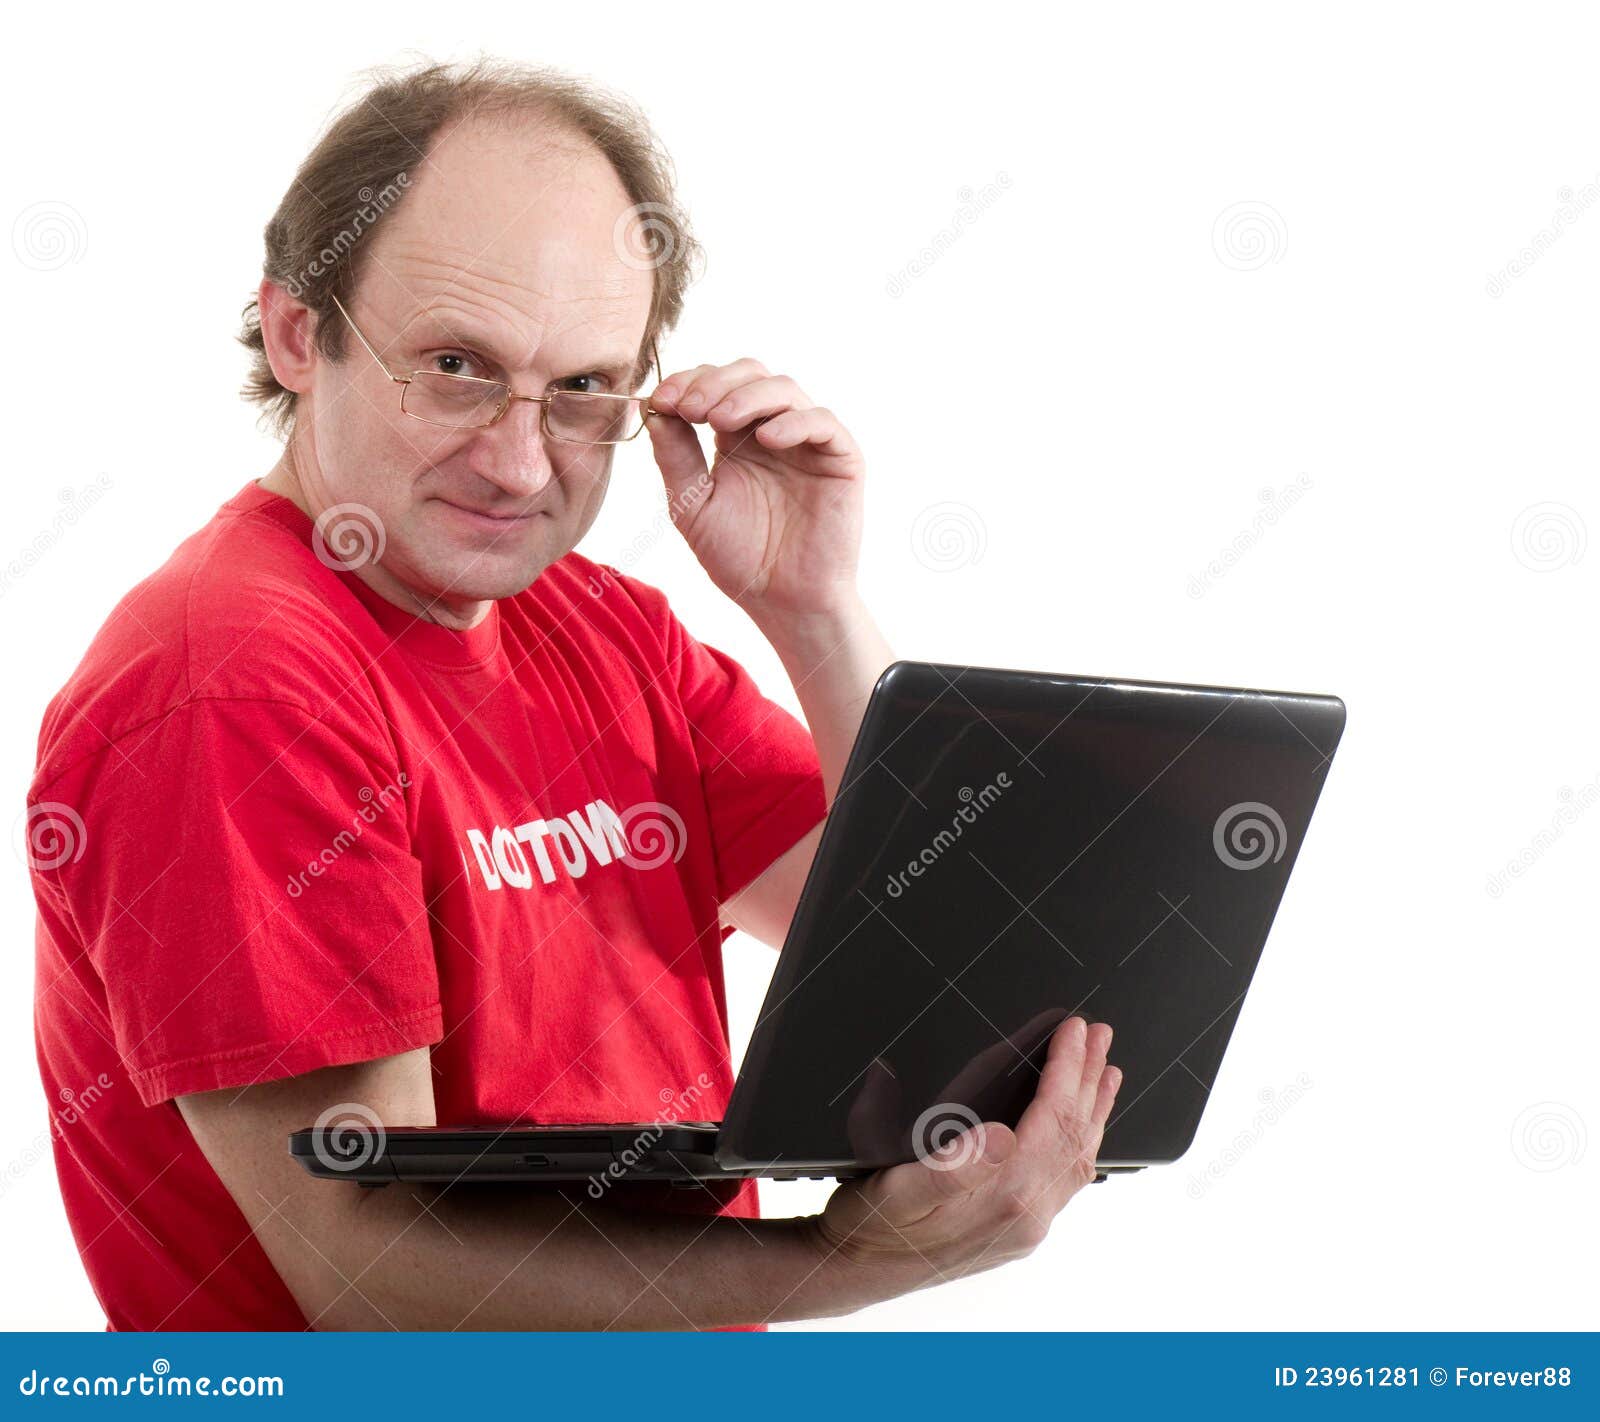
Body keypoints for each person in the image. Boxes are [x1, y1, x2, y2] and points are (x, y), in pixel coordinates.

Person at [25, 58, 1121, 1331]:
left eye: (586, 389)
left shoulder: (599, 628)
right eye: (454, 364)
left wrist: (815, 613)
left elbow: (977, 958)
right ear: (294, 332)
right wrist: (858, 1260)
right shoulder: (232, 686)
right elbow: (370, 1274)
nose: (516, 461)